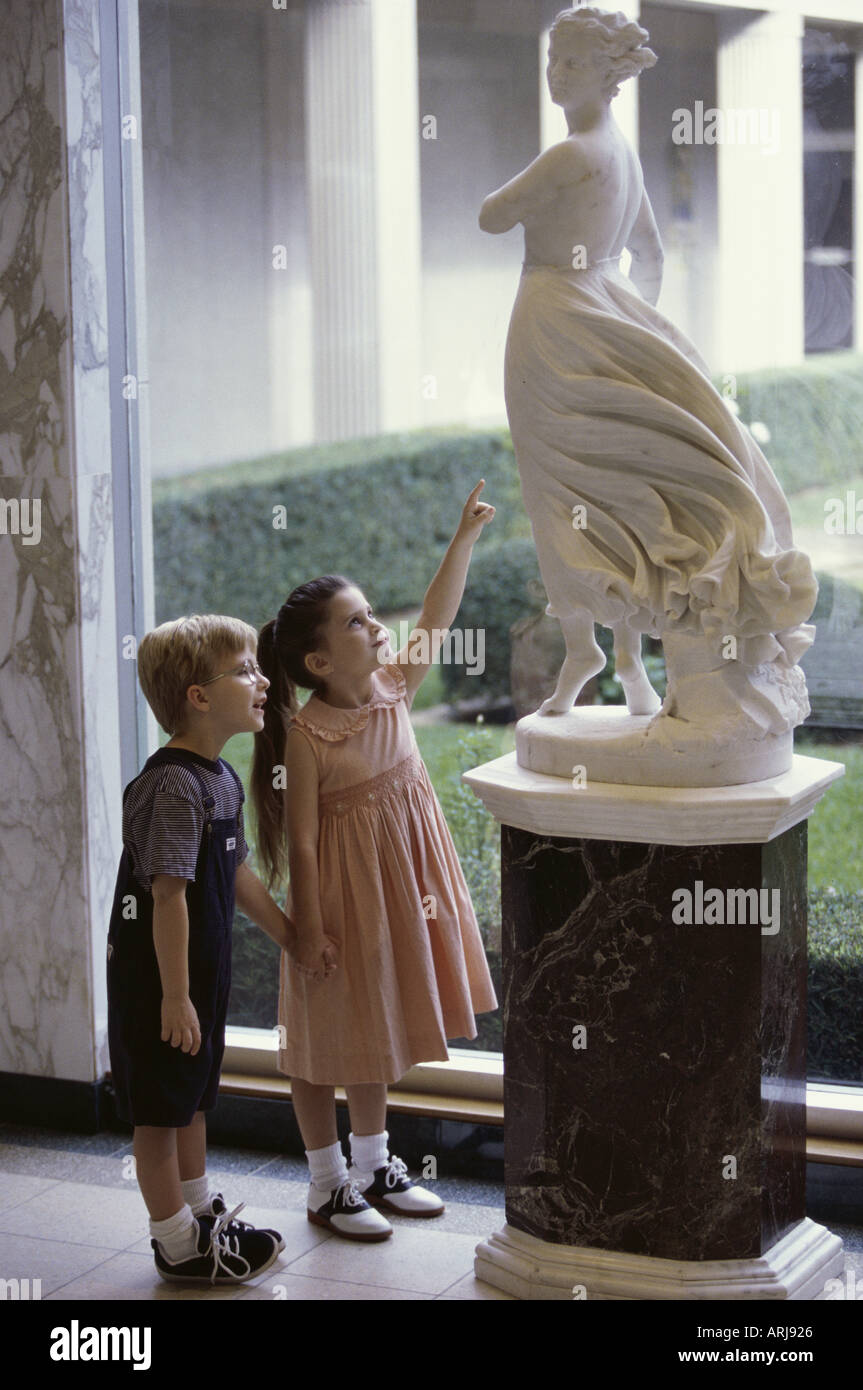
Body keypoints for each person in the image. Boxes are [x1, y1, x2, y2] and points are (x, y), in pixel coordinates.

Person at [480, 7, 817, 749]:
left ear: (607, 74)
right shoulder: (623, 155)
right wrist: (629, 333)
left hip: (551, 322)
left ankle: (590, 652)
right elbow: (652, 257)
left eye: (571, 62)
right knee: (610, 496)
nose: (555, 74)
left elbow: (490, 216)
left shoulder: (570, 155)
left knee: (562, 494)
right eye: (552, 59)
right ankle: (622, 661)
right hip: (600, 311)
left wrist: (606, 326)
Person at [251, 482, 499, 1241]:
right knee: (319, 1040)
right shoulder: (307, 737)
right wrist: (307, 930)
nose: (375, 626)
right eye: (356, 621)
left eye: (368, 613)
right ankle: (325, 1183)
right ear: (319, 660)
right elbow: (301, 844)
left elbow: (436, 617)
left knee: (369, 1027)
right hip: (337, 904)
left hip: (394, 896)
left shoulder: (394, 689)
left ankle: (371, 1164)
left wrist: (462, 540)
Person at [107, 615, 296, 1284]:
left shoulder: (219, 778)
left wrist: (289, 936)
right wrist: (175, 997)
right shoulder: (173, 786)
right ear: (198, 696)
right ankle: (177, 1246)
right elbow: (166, 897)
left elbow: (236, 870)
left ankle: (197, 1213)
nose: (263, 680)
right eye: (245, 670)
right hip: (159, 983)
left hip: (194, 977)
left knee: (191, 1099)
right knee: (160, 1113)